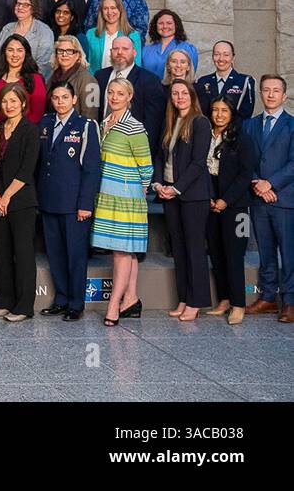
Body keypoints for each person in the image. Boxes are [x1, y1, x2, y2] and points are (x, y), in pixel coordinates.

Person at [92, 77, 156, 326]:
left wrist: (137, 195)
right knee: (126, 251)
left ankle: (113, 306)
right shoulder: (103, 123)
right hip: (107, 195)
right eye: (111, 92)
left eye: (120, 93)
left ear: (130, 97)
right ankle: (131, 298)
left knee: (121, 251)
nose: (115, 97)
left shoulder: (135, 127)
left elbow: (146, 168)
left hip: (127, 198)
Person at [36, 82, 102, 321]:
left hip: (74, 204)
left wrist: (86, 204)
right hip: (49, 200)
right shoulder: (44, 123)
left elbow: (91, 169)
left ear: (74, 99)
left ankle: (76, 303)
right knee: (55, 255)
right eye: (56, 97)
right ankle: (61, 299)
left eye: (65, 97)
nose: (60, 101)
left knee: (75, 255)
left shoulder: (85, 126)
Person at [153, 80, 212, 321]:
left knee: (194, 249)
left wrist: (176, 188)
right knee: (178, 249)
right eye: (175, 93)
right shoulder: (169, 122)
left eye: (184, 93)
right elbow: (159, 156)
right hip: (169, 194)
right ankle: (184, 298)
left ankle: (196, 302)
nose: (179, 97)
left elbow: (198, 164)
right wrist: (158, 184)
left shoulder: (200, 123)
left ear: (192, 96)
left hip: (192, 196)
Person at [243, 75, 294, 321]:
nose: (271, 94)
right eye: (266, 90)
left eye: (276, 90)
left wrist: (270, 183)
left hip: (284, 199)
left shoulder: (292, 125)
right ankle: (268, 298)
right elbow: (245, 160)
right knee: (265, 251)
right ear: (261, 94)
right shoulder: (249, 126)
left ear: (284, 95)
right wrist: (257, 183)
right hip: (258, 198)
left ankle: (290, 302)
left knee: (289, 251)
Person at [204, 96, 257, 325]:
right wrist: (210, 198)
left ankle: (238, 305)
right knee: (216, 254)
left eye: (224, 110)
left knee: (234, 256)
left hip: (237, 207)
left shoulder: (242, 140)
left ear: (232, 113)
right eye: (215, 110)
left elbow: (245, 175)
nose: (219, 114)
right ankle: (224, 300)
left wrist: (226, 200)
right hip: (211, 203)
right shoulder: (206, 136)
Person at [0, 83, 40, 321]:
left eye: (13, 101)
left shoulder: (30, 130)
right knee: (3, 252)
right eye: (4, 101)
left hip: (21, 201)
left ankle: (23, 306)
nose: (9, 105)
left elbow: (27, 169)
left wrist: (7, 196)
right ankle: (5, 301)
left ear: (22, 102)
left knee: (23, 253)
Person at [95, 35, 166, 162]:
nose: (120, 52)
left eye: (125, 49)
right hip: (100, 149)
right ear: (111, 52)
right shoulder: (100, 76)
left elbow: (153, 124)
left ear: (134, 52)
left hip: (130, 154)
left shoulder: (150, 80)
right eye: (115, 49)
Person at [0, 35, 46, 124]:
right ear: (4, 52)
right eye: (10, 50)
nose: (15, 54)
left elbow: (37, 113)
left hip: (25, 132)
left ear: (26, 53)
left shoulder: (35, 79)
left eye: (19, 50)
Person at [0, 0, 54, 81]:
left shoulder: (44, 31)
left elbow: (43, 64)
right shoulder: (7, 28)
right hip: (4, 79)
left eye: (26, 5)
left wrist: (24, 81)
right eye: (18, 4)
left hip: (31, 83)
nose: (20, 7)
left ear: (33, 8)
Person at [195, 40, 255, 119]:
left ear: (233, 57)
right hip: (207, 129)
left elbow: (246, 115)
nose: (221, 59)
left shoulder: (245, 81)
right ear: (212, 56)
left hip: (235, 130)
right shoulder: (203, 81)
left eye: (226, 55)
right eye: (217, 54)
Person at [83, 0, 142, 69]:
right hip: (96, 79)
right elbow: (86, 62)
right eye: (105, 8)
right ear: (101, 12)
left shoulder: (133, 35)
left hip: (123, 80)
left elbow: (136, 64)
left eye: (113, 8)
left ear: (120, 10)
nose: (109, 12)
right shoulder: (91, 34)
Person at [47, 35, 100, 121]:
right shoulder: (53, 76)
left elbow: (91, 115)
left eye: (69, 51)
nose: (64, 54)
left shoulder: (89, 80)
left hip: (75, 132)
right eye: (60, 51)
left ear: (78, 55)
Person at [142, 9, 197, 82]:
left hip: (174, 91)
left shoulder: (188, 48)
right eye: (161, 23)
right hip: (149, 91)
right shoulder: (146, 50)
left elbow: (190, 76)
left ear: (176, 25)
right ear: (155, 26)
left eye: (169, 23)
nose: (165, 26)